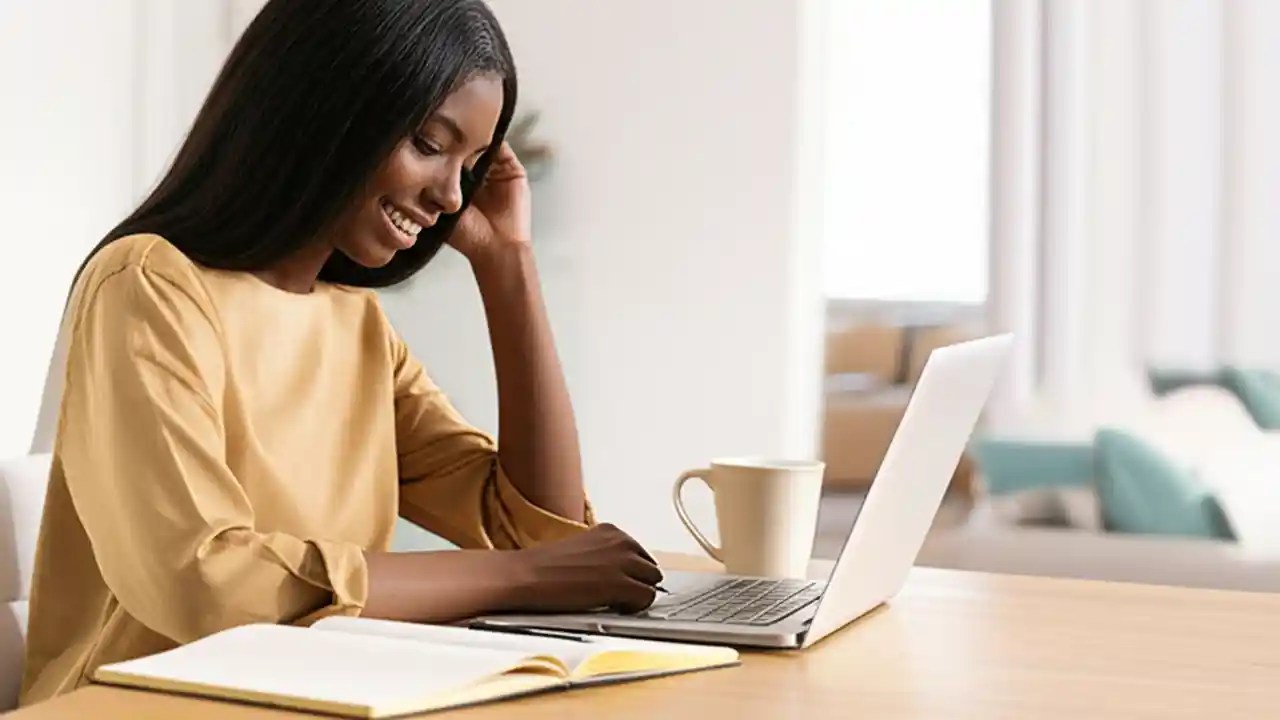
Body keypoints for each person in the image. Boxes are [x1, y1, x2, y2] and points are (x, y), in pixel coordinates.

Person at [19, 0, 661, 705]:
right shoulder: (147, 283)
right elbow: (203, 582)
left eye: (470, 165)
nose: (451, 196)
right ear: (327, 107)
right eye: (428, 142)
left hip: (319, 700)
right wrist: (526, 578)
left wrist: (508, 267)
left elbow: (538, 525)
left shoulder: (357, 326)